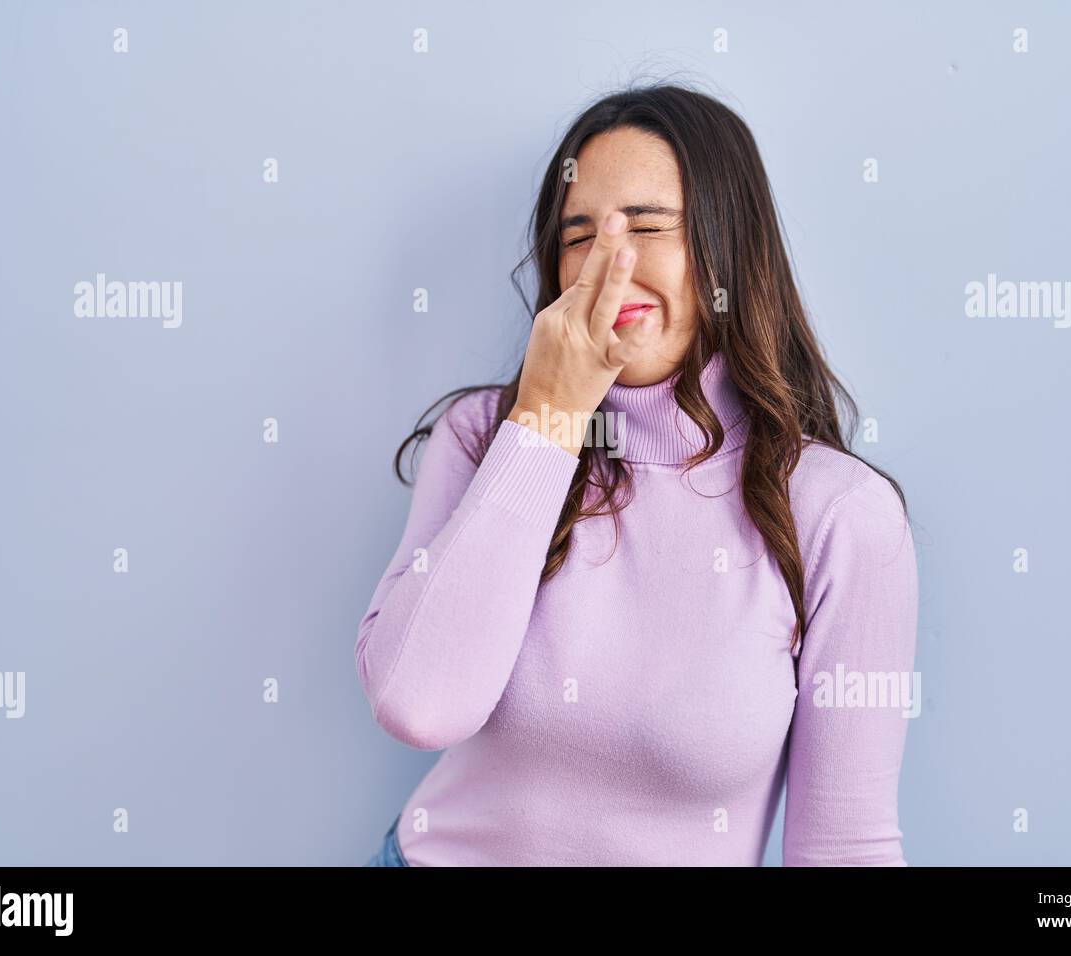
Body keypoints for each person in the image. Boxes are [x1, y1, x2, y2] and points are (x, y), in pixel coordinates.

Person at [357, 84, 919, 866]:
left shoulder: (840, 515)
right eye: (577, 236)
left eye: (649, 227)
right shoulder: (486, 437)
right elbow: (418, 705)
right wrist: (548, 420)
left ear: (729, 252)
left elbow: (845, 846)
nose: (605, 268)